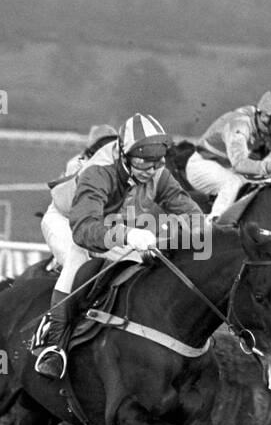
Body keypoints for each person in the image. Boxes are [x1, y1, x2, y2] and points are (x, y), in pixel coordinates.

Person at [32, 113, 205, 380]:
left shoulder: (157, 173)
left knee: (144, 265)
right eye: (143, 164)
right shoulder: (99, 172)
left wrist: (163, 233)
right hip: (68, 222)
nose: (150, 171)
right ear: (125, 155)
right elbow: (84, 231)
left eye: (156, 163)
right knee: (80, 259)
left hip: (111, 227)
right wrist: (129, 235)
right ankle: (52, 341)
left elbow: (194, 217)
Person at [185, 89, 271, 218]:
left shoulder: (262, 122)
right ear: (265, 118)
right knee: (233, 182)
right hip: (202, 166)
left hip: (226, 166)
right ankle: (214, 223)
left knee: (265, 181)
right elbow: (240, 164)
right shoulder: (239, 125)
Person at [40, 123, 119, 272]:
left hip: (91, 222)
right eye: (103, 145)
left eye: (111, 144)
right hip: (66, 220)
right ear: (93, 149)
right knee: (78, 266)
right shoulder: (77, 164)